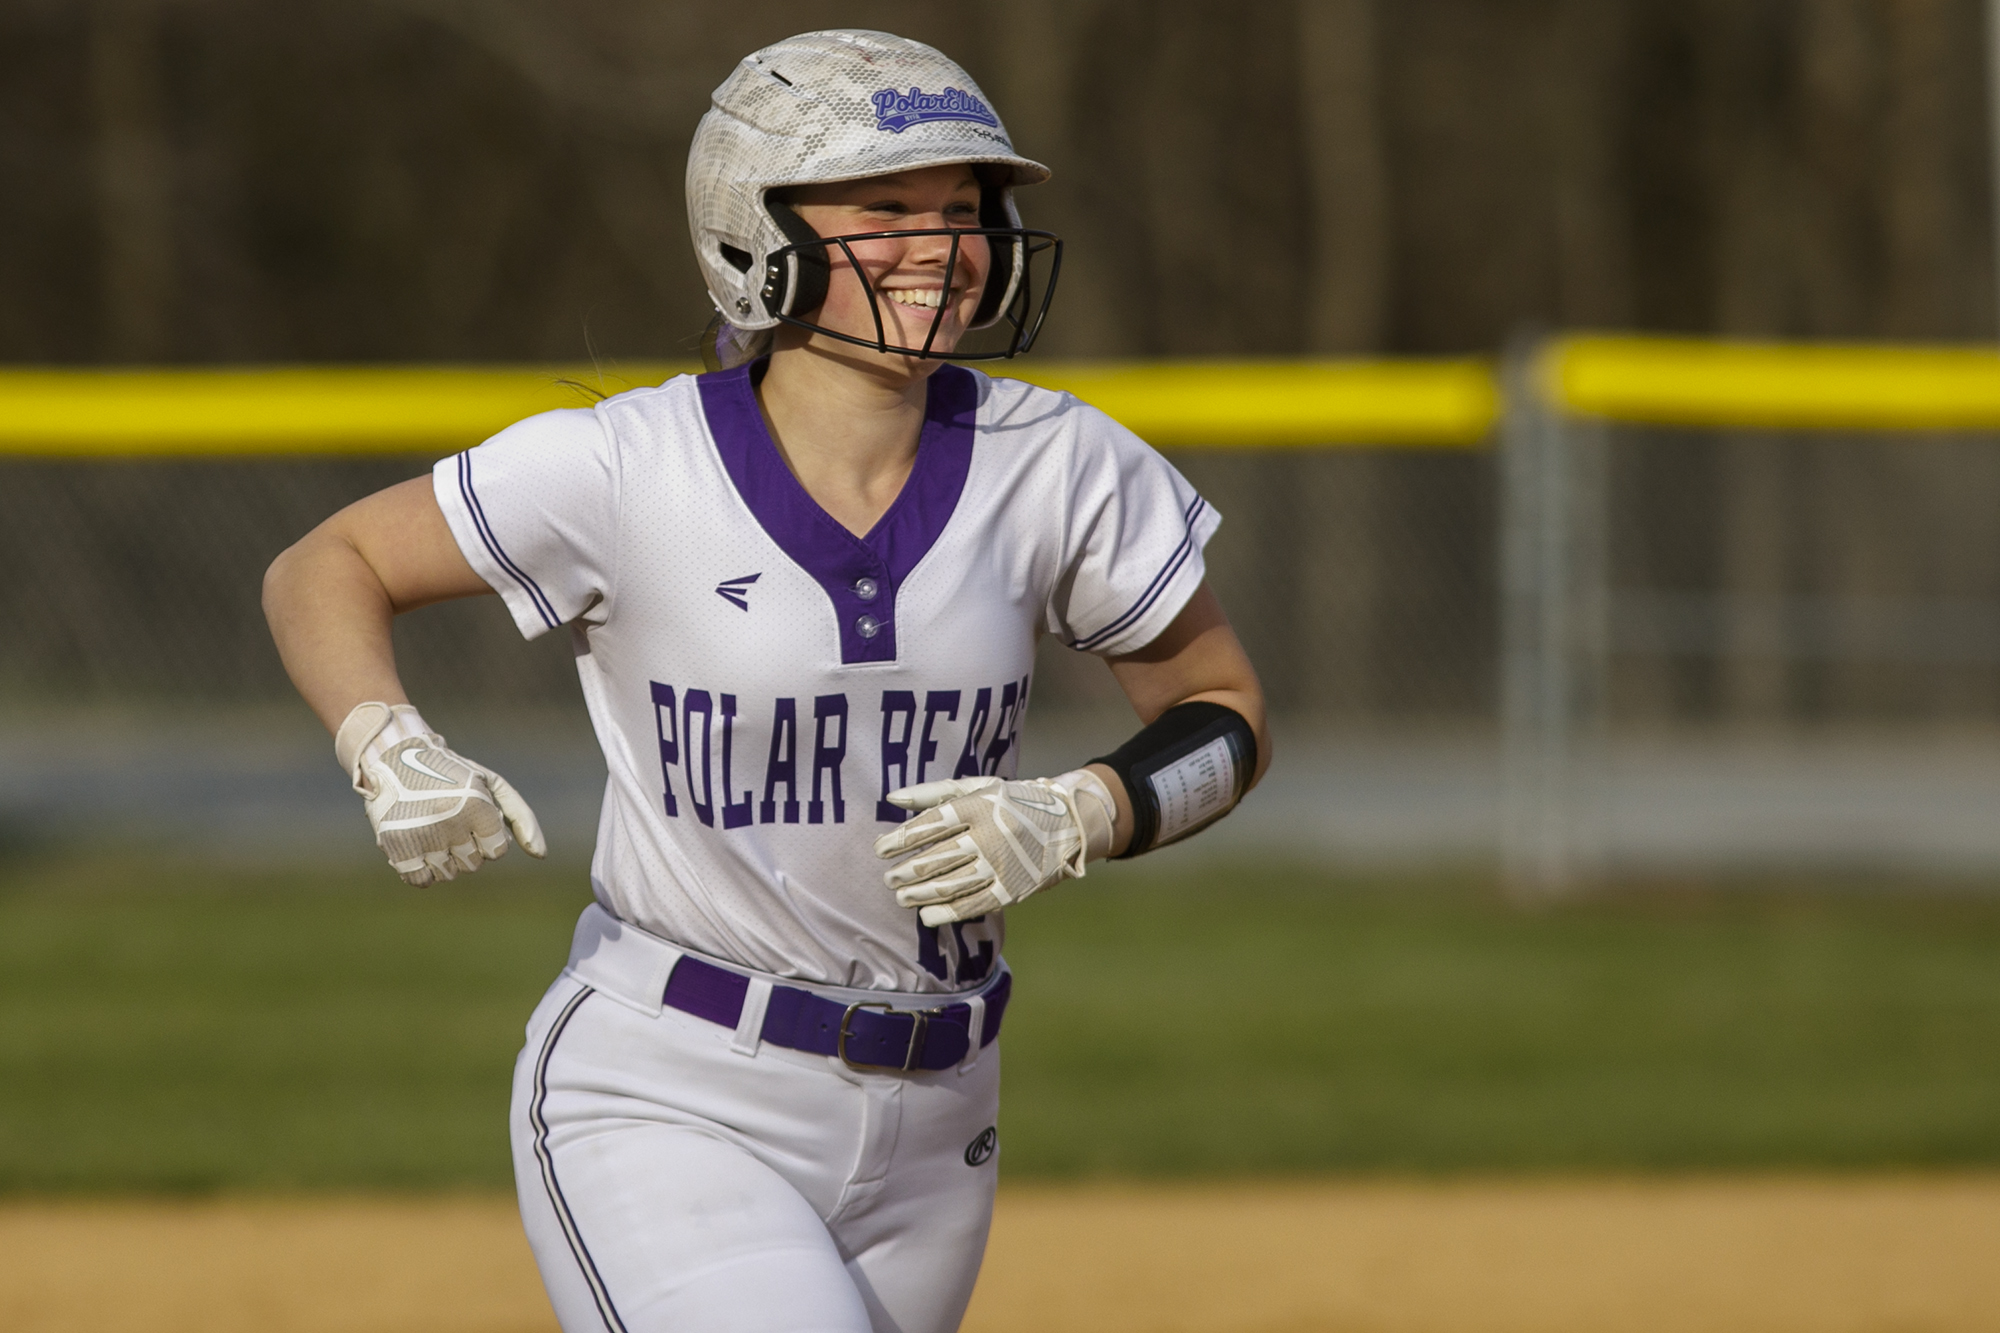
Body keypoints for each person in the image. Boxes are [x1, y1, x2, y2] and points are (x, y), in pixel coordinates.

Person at [263, 28, 1268, 1333]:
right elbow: (324, 563)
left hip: (941, 1117)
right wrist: (384, 739)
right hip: (674, 1087)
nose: (942, 243)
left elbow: (1224, 717)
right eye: (886, 207)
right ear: (755, 230)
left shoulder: (1057, 463)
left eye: (962, 209)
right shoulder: (629, 466)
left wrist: (1086, 808)